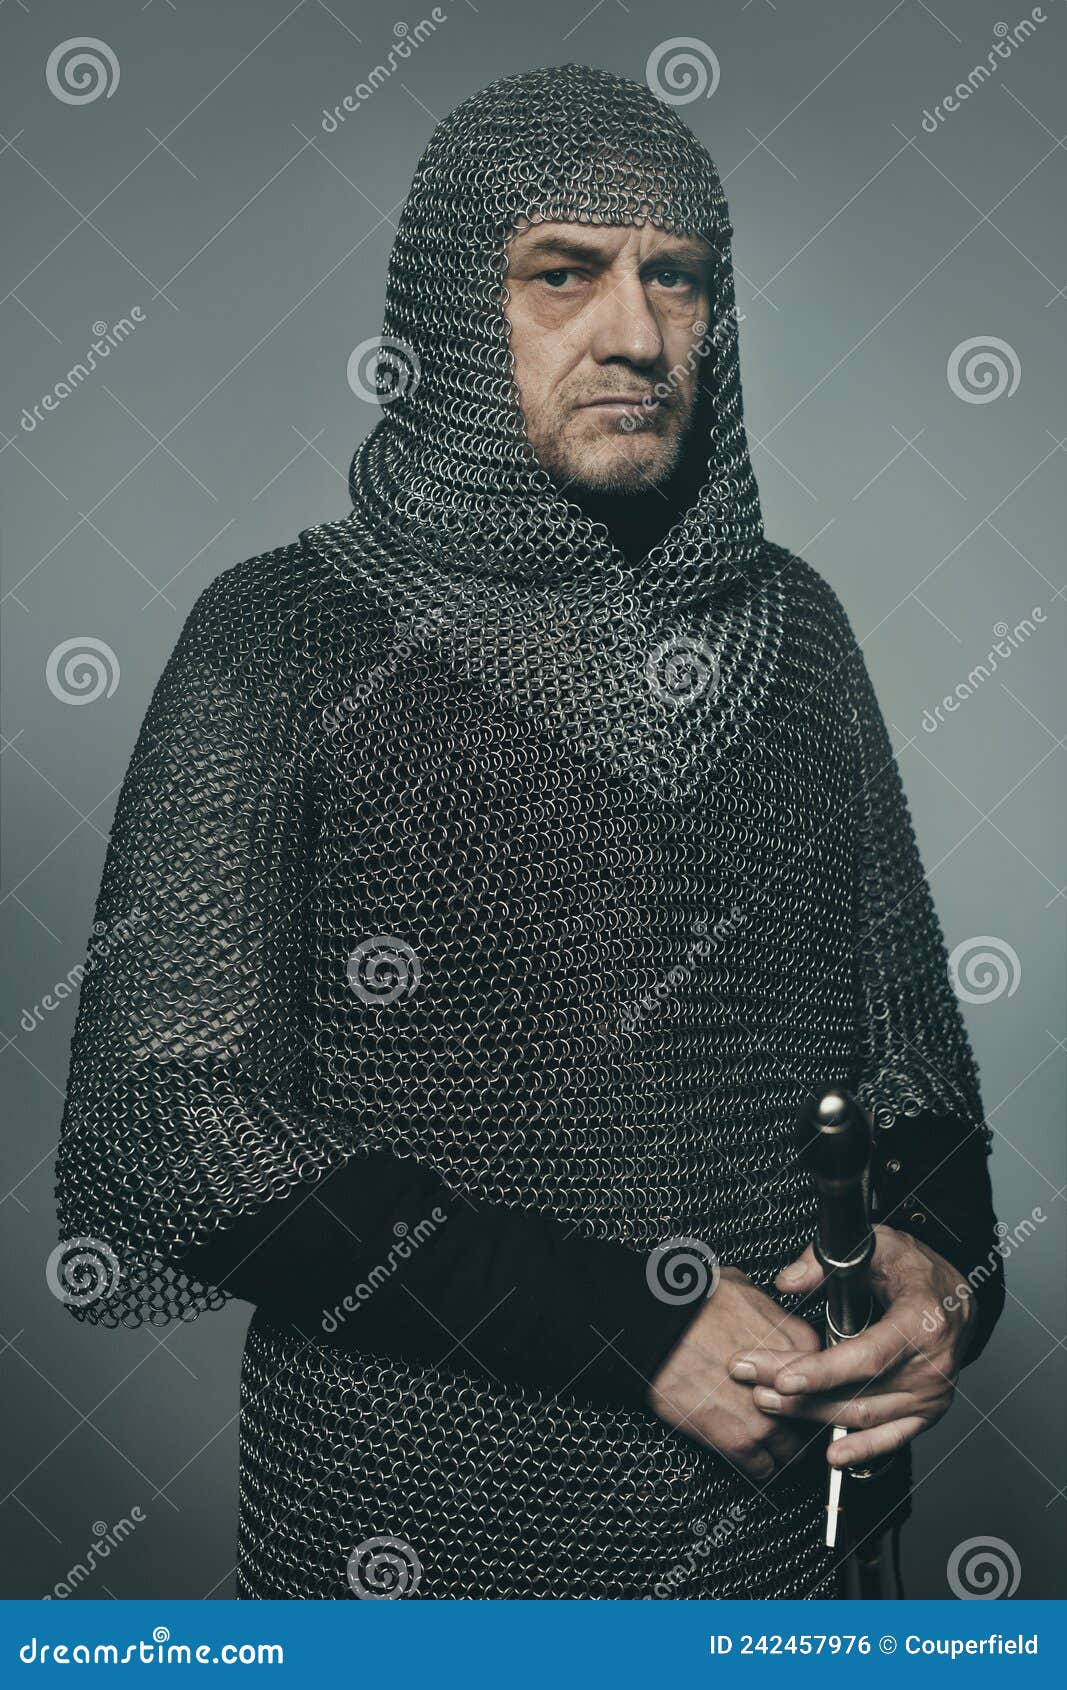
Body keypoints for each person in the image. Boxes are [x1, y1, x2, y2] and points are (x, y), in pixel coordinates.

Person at [53, 64, 1004, 1601]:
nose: (637, 333)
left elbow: (913, 1080)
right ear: (453, 314)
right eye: (564, 273)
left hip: (792, 1556)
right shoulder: (283, 640)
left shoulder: (794, 635)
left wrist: (944, 1269)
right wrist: (642, 1323)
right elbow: (165, 1130)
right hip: (427, 1552)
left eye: (676, 278)